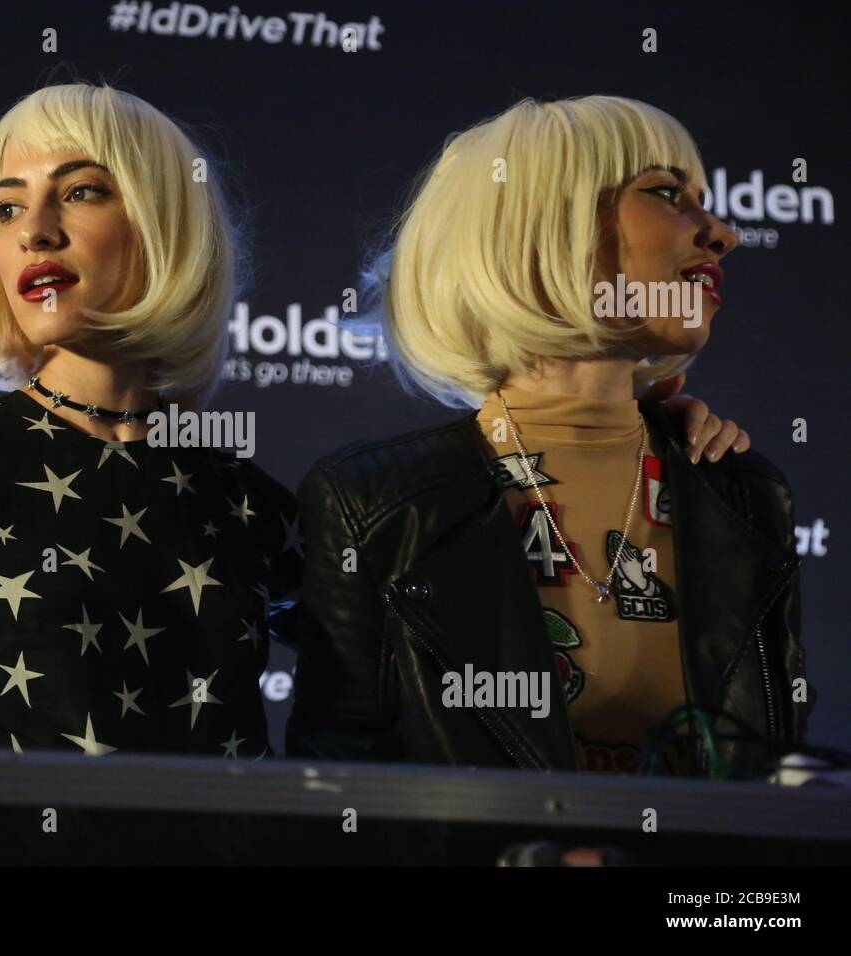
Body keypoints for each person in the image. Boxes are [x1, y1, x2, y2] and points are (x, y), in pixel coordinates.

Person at [285, 95, 810, 777]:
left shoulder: (742, 493)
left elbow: (776, 780)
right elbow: (341, 790)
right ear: (544, 223)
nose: (723, 234)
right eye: (666, 194)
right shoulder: (376, 504)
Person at [0, 82, 301, 758]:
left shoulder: (248, 500)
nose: (34, 232)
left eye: (81, 191)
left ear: (164, 222)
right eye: (6, 207)